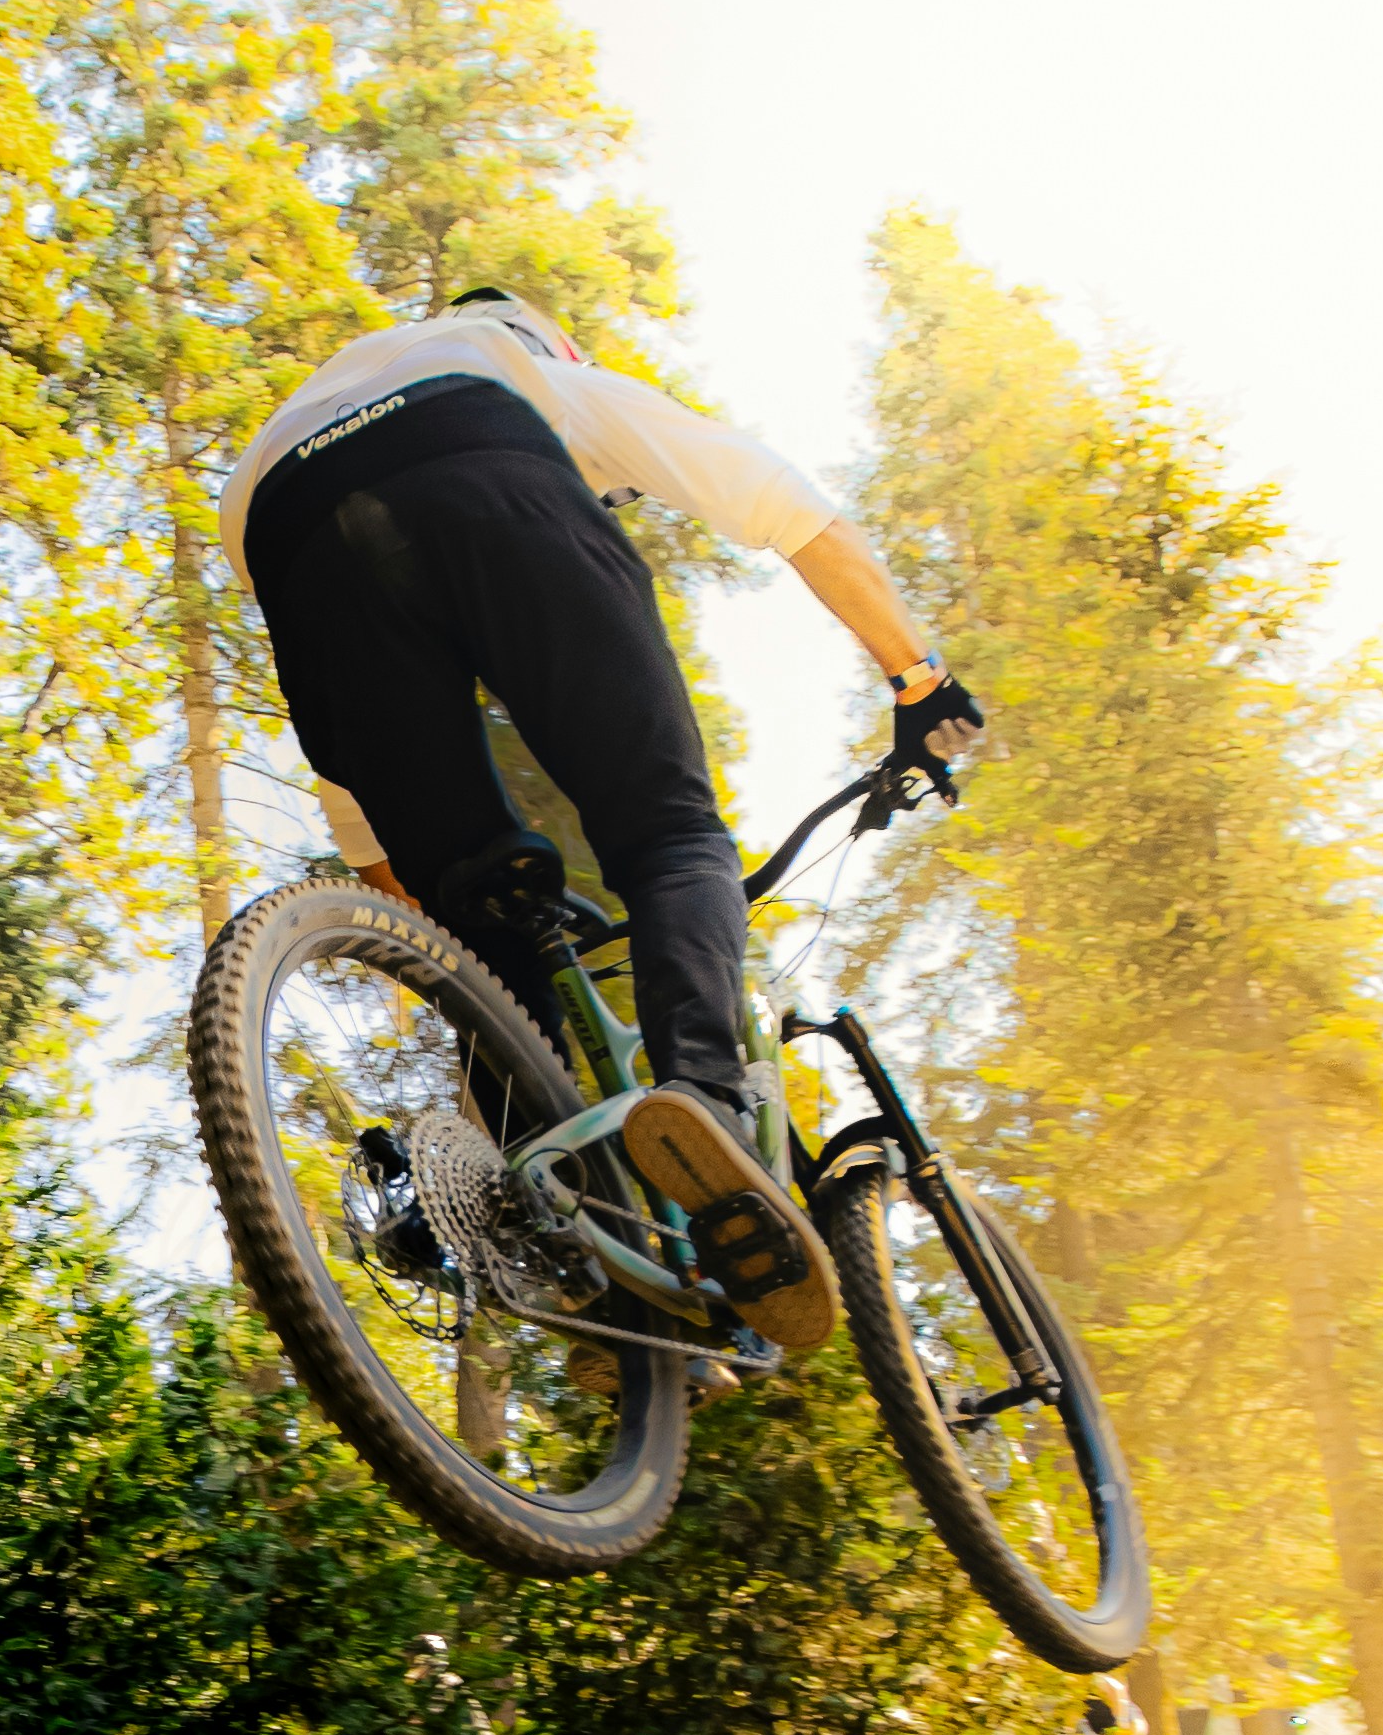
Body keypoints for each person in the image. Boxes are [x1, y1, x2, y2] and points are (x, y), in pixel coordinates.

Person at [222, 289, 981, 1351]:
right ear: (557, 344)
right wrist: (918, 675)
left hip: (283, 536)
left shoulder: (336, 391)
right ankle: (708, 1106)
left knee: (488, 941)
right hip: (475, 454)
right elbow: (784, 503)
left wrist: (459, 932)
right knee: (669, 834)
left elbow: (361, 806)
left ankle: (558, 1258)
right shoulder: (528, 365)